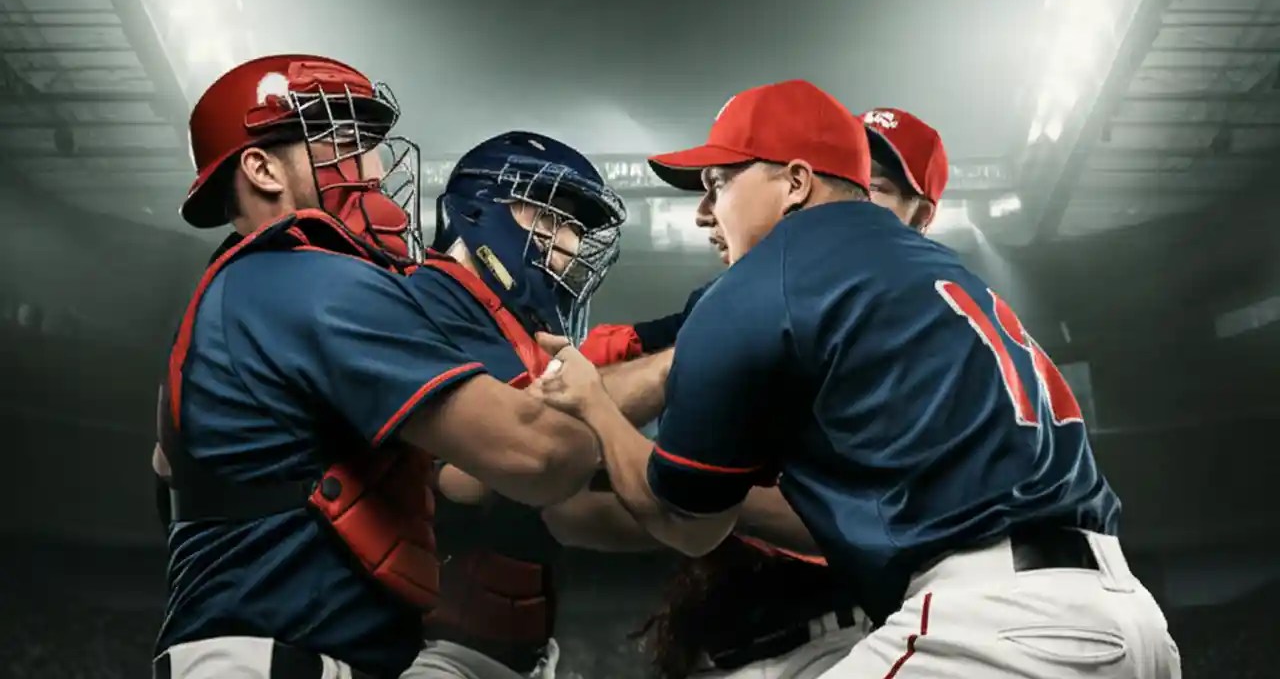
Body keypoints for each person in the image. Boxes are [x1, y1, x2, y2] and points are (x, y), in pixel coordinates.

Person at [530, 78, 1180, 679]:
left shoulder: (760, 284)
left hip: (992, 622)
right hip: (1127, 611)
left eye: (718, 181)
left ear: (795, 182)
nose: (704, 211)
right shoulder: (944, 272)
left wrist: (593, 402)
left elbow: (686, 524)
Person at [154, 55, 615, 679]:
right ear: (260, 168)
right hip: (274, 660)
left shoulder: (240, 286)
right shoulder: (308, 279)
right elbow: (536, 457)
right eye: (343, 142)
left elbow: (166, 476)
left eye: (372, 144)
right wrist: (595, 411)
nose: (373, 167)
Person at [540, 108, 949, 679]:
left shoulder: (925, 319)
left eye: (874, 187)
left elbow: (875, 516)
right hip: (719, 635)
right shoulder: (739, 296)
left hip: (844, 635)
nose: (853, 198)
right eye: (848, 174)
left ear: (921, 216)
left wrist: (684, 485)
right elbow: (581, 404)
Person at [387, 130, 672, 679]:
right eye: (549, 216)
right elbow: (508, 462)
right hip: (434, 645)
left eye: (576, 227)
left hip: (510, 649)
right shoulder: (430, 298)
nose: (567, 244)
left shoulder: (509, 324)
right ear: (479, 212)